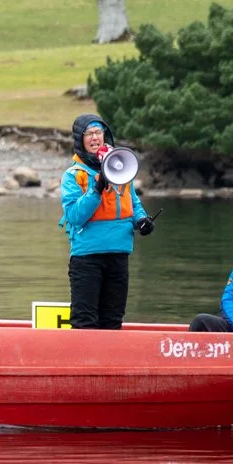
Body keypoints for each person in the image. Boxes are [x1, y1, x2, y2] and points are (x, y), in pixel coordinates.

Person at [59, 113, 153, 329]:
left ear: (105, 135)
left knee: (112, 321)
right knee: (85, 321)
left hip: (119, 254)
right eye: (89, 133)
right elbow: (74, 216)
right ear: (79, 140)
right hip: (87, 258)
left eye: (98, 132)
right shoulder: (74, 175)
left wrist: (141, 221)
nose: (95, 138)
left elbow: (133, 203)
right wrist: (97, 189)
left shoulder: (119, 167)